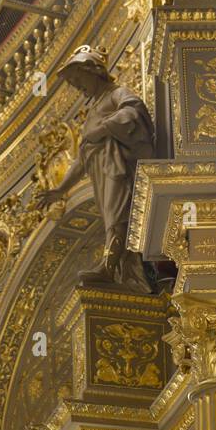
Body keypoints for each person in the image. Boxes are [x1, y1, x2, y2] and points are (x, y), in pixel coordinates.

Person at [38, 46, 154, 292]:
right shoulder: (93, 109)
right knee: (112, 218)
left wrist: (102, 128)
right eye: (73, 83)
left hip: (117, 168)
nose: (78, 86)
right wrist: (61, 190)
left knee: (118, 216)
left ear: (94, 71)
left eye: (78, 79)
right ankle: (125, 271)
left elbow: (135, 112)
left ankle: (109, 266)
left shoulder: (116, 94)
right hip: (101, 171)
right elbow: (81, 159)